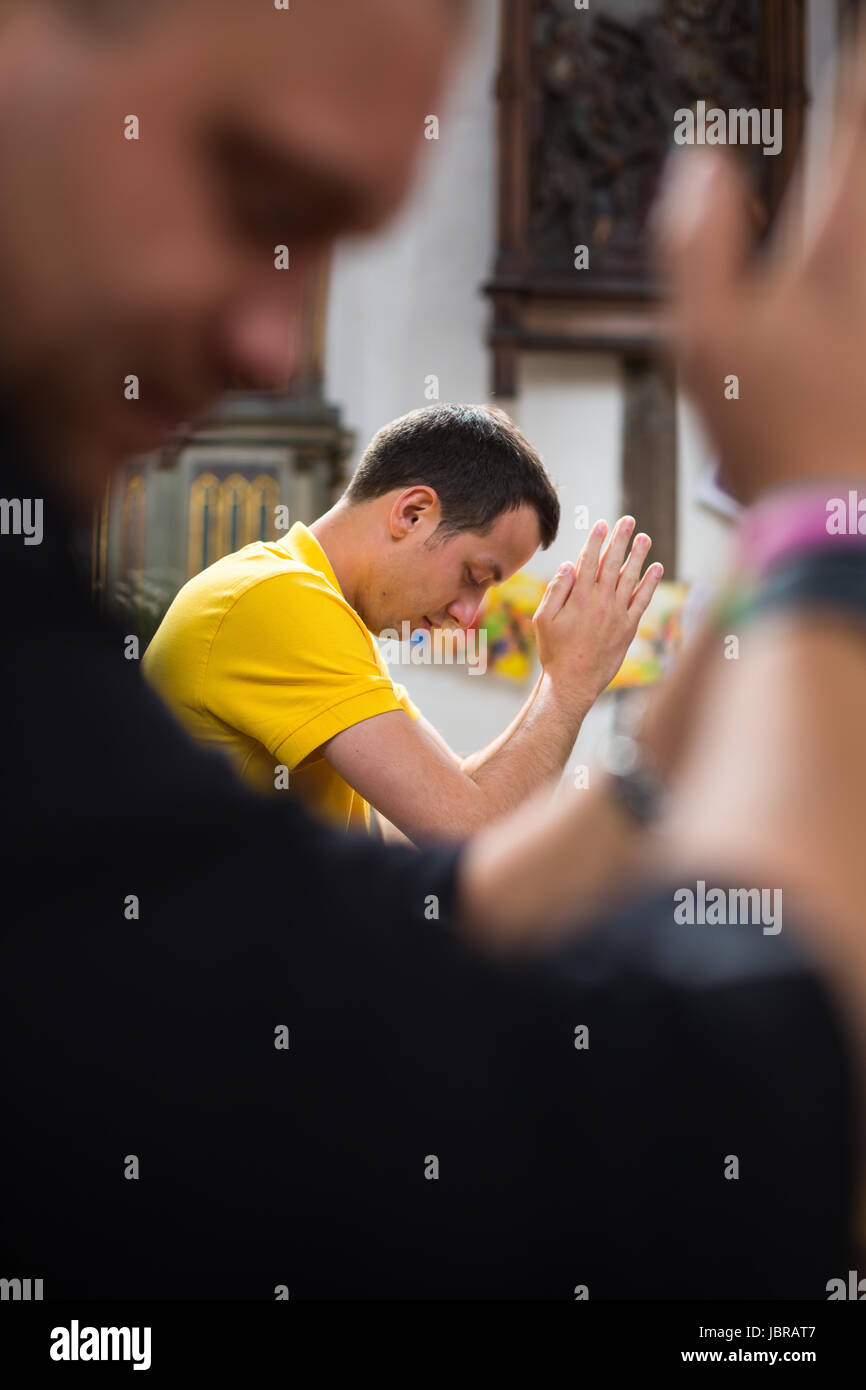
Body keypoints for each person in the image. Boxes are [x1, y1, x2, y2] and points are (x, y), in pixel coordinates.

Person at [0, 0, 862, 1298]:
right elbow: (467, 859)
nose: (271, 345)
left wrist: (687, 694)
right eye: (252, 187)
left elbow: (415, 911)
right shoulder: (268, 597)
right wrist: (816, 532)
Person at [143, 401, 661, 836]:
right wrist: (570, 682)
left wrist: (562, 677)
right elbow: (469, 837)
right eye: (474, 576)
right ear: (413, 513)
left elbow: (457, 792)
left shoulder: (325, 610)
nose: (466, 614)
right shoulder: (276, 597)